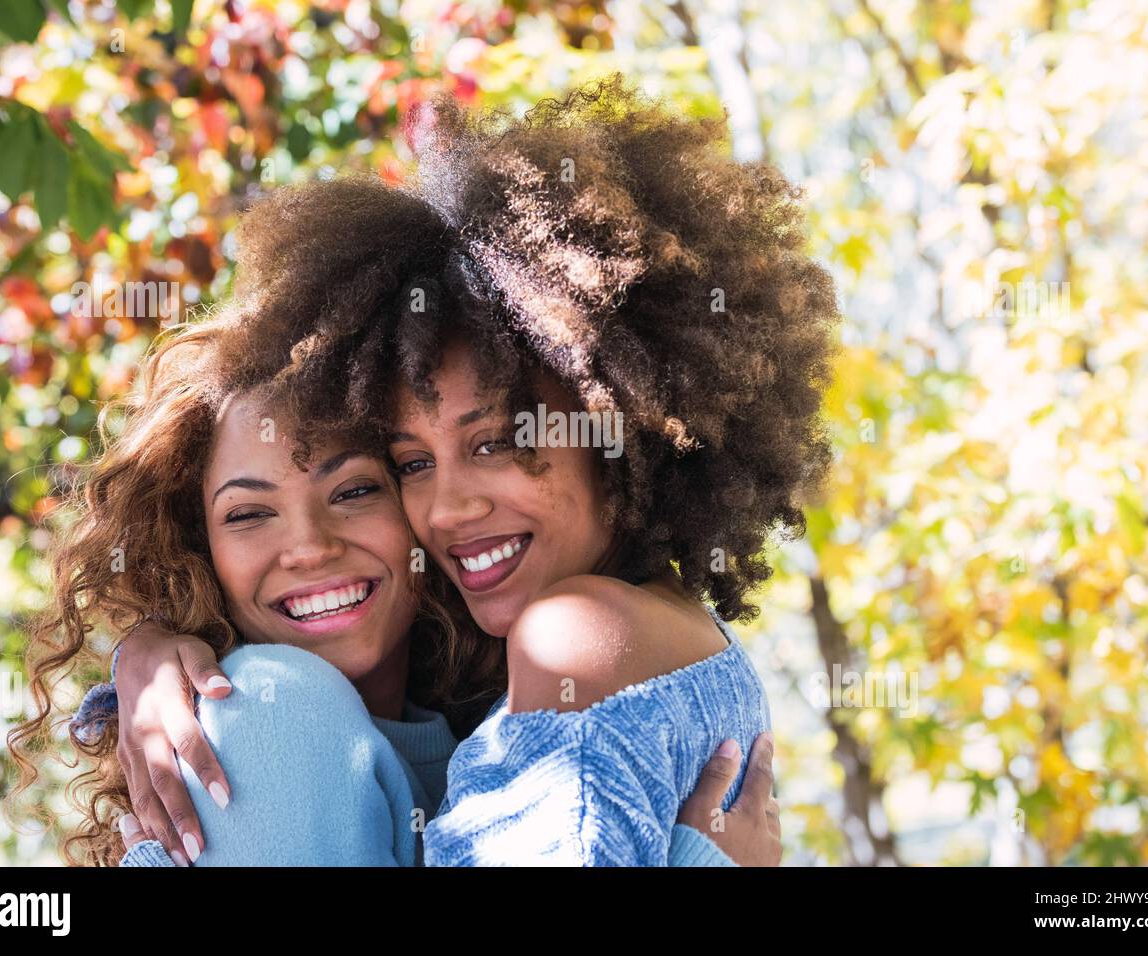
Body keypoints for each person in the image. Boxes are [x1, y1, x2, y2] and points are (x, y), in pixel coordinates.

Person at [103, 76, 837, 865]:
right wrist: (140, 651)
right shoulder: (658, 640)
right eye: (412, 462)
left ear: (619, 424)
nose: (446, 509)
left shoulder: (575, 636)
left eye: (493, 442)